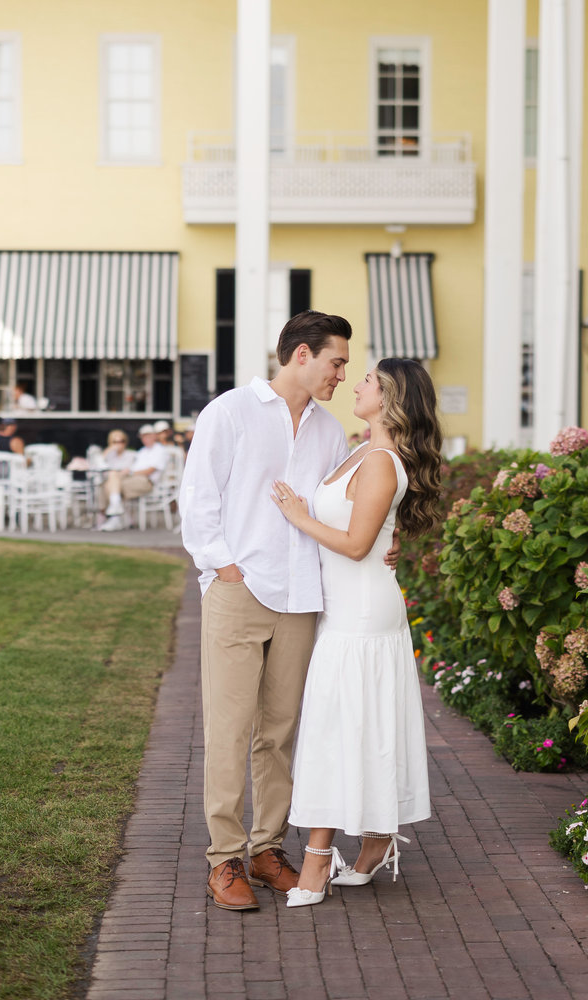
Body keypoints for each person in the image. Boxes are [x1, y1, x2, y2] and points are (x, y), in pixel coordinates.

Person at [178, 310, 355, 911]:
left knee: (278, 734)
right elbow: (199, 497)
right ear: (301, 355)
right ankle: (223, 859)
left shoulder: (331, 432)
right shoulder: (229, 412)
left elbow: (335, 511)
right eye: (336, 362)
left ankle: (266, 849)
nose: (340, 375)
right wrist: (222, 566)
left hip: (303, 596)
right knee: (228, 730)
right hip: (239, 589)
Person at [269, 358, 445, 908]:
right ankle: (374, 841)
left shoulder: (382, 461)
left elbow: (354, 544)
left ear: (390, 398)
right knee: (354, 725)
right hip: (343, 607)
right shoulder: (361, 450)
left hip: (361, 614)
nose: (355, 384)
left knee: (336, 728)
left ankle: (318, 861)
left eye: (367, 380)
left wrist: (297, 515)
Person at [98, 424, 167, 531]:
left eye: (148, 436)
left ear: (154, 436)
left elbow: (150, 470)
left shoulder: (159, 450)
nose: (145, 439)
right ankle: (115, 510)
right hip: (133, 480)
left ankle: (113, 516)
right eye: (143, 436)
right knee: (112, 479)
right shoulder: (141, 452)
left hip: (146, 481)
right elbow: (100, 463)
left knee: (109, 486)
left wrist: (130, 472)